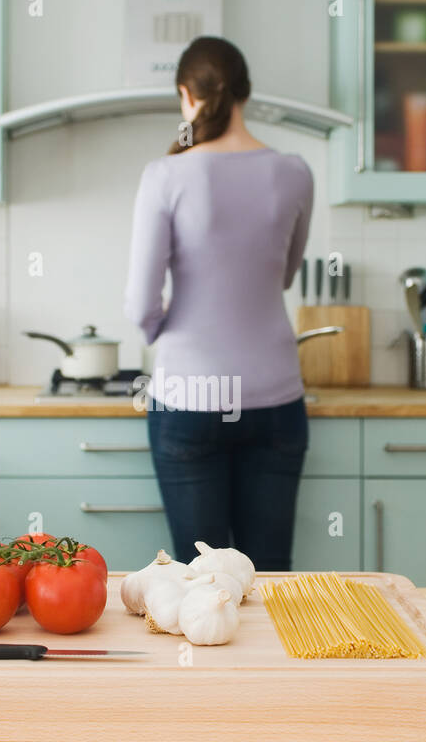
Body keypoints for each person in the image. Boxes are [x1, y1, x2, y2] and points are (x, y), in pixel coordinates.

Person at [124, 36, 314, 571]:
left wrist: (167, 327)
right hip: (276, 399)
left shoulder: (166, 175)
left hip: (189, 396)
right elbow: (284, 275)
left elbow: (140, 305)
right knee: (272, 576)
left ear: (187, 95)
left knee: (201, 581)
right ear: (244, 93)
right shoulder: (296, 172)